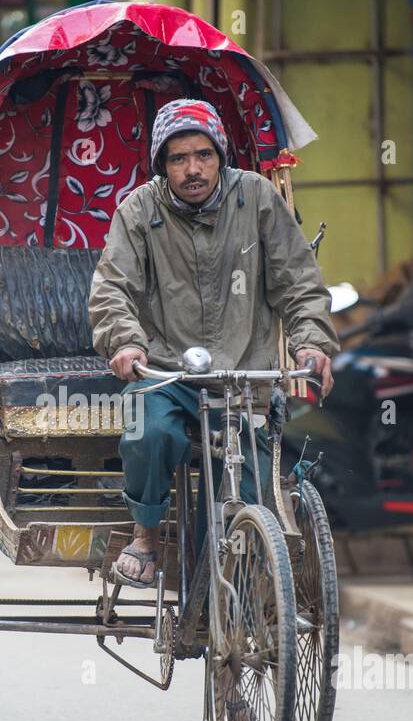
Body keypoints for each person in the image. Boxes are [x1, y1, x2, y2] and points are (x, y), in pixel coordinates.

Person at [87, 98, 340, 586]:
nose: (193, 169)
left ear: (220, 155)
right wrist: (126, 342)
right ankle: (145, 536)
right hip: (166, 373)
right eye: (178, 159)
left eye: (203, 154)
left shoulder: (259, 199)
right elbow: (112, 287)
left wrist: (311, 343)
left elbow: (299, 284)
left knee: (249, 495)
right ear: (163, 165)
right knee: (148, 431)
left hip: (245, 376)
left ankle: (240, 599)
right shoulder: (139, 210)